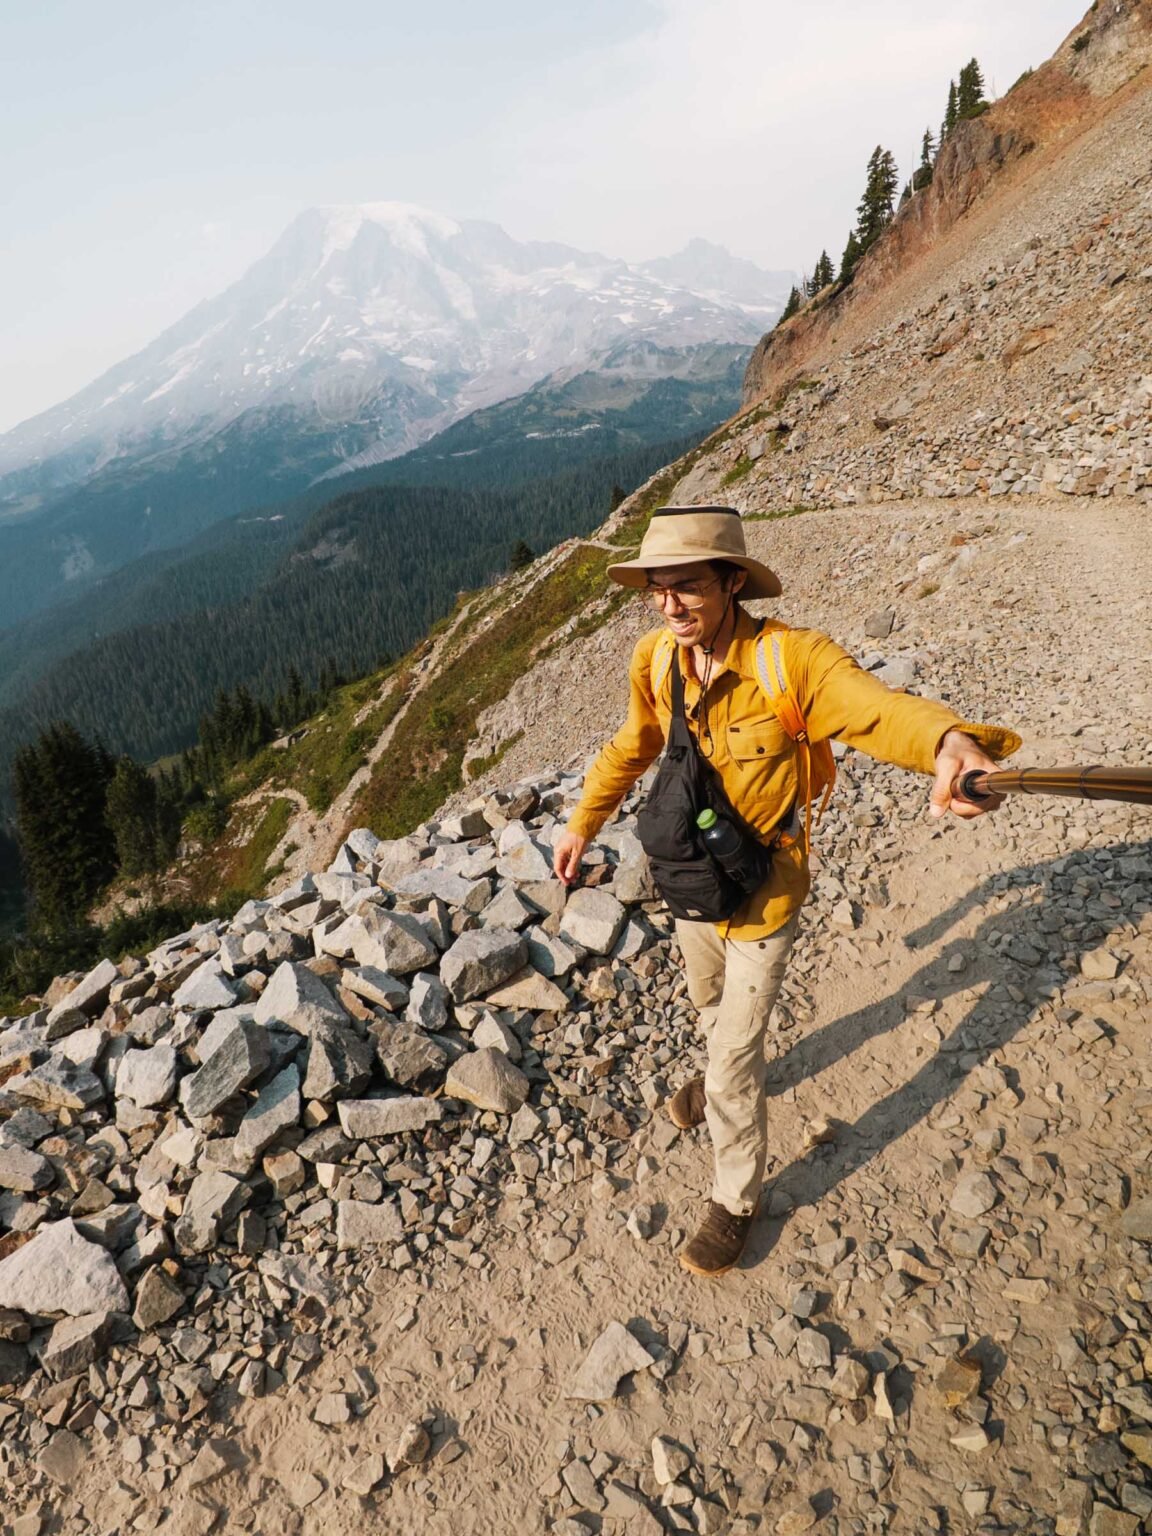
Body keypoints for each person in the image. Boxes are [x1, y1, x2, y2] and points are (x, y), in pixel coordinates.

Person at [552, 506, 1021, 1278]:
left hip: (764, 893)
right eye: (656, 589)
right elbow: (634, 743)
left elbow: (875, 710)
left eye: (688, 587)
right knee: (710, 1007)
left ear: (733, 582)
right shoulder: (655, 658)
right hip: (692, 880)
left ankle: (736, 1199)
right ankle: (718, 1070)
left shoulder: (791, 661)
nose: (670, 606)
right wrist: (581, 821)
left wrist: (950, 744)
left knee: (735, 1055)